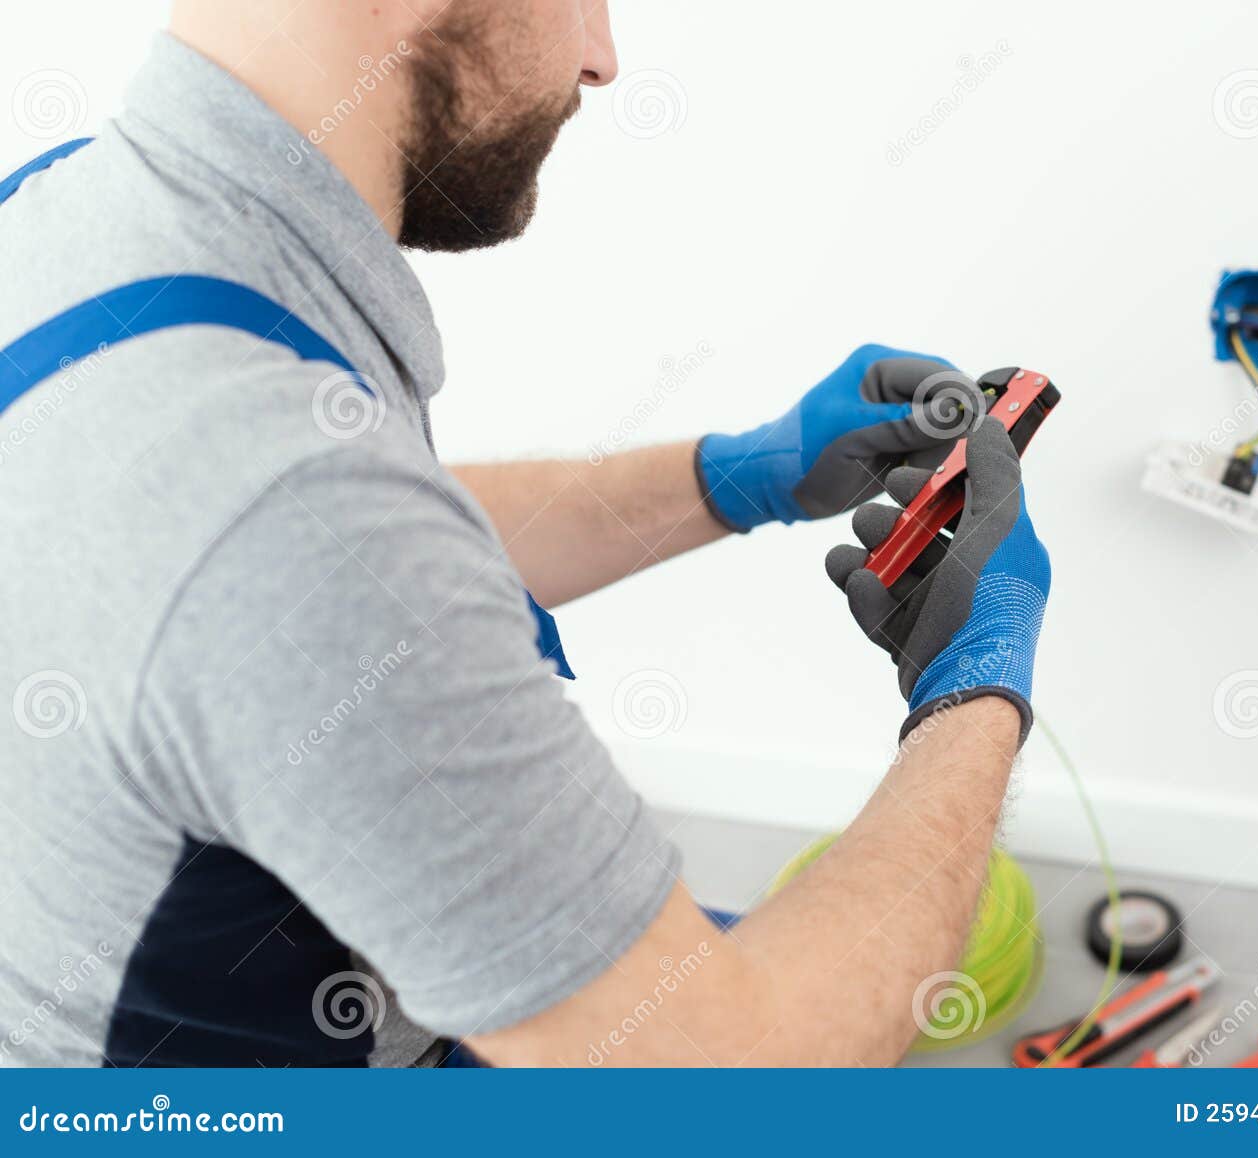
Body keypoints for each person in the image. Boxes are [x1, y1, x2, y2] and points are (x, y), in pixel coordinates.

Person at [0, 0, 1049, 1066]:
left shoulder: (70, 216)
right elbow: (733, 1076)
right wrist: (977, 681)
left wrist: (741, 475)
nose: (601, 59)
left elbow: (333, 566)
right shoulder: (283, 503)